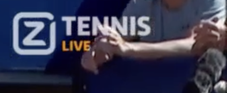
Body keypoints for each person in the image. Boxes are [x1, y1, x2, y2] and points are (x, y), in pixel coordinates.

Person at [83, 0, 226, 73]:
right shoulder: (141, 3)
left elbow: (197, 45)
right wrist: (98, 50)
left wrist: (129, 49)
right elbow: (116, 39)